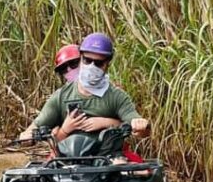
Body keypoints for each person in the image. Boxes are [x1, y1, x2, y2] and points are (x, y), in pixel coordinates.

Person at [20, 32, 150, 143]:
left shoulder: (116, 96)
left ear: (107, 64)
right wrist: (27, 136)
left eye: (98, 63)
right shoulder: (61, 96)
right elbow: (33, 129)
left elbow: (139, 127)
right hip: (68, 159)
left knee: (140, 171)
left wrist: (107, 122)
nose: (92, 66)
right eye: (87, 60)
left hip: (107, 159)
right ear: (81, 58)